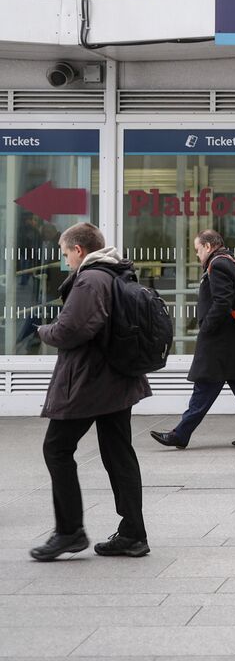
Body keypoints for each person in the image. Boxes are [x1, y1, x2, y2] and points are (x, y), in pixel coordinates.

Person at [31, 222, 151, 561]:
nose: (65, 259)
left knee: (56, 449)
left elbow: (73, 329)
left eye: (65, 252)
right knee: (118, 454)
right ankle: (132, 533)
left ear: (79, 250)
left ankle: (69, 532)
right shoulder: (115, 273)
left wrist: (43, 329)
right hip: (118, 378)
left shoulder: (91, 279)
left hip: (91, 381)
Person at [150, 230, 235, 450]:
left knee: (205, 386)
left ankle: (180, 434)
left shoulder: (219, 264)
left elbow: (222, 302)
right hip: (233, 336)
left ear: (207, 246)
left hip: (219, 339)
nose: (197, 255)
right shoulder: (231, 260)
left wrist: (206, 328)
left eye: (197, 250)